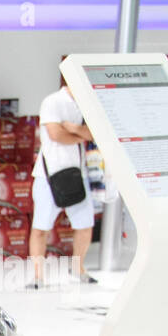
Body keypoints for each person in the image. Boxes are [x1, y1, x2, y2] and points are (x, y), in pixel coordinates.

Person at [29, 81, 97, 287]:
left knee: (85, 225)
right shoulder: (53, 101)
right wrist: (81, 135)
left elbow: (94, 134)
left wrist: (74, 128)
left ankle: (78, 268)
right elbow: (56, 135)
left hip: (78, 173)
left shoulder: (89, 104)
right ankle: (38, 276)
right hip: (49, 175)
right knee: (40, 228)